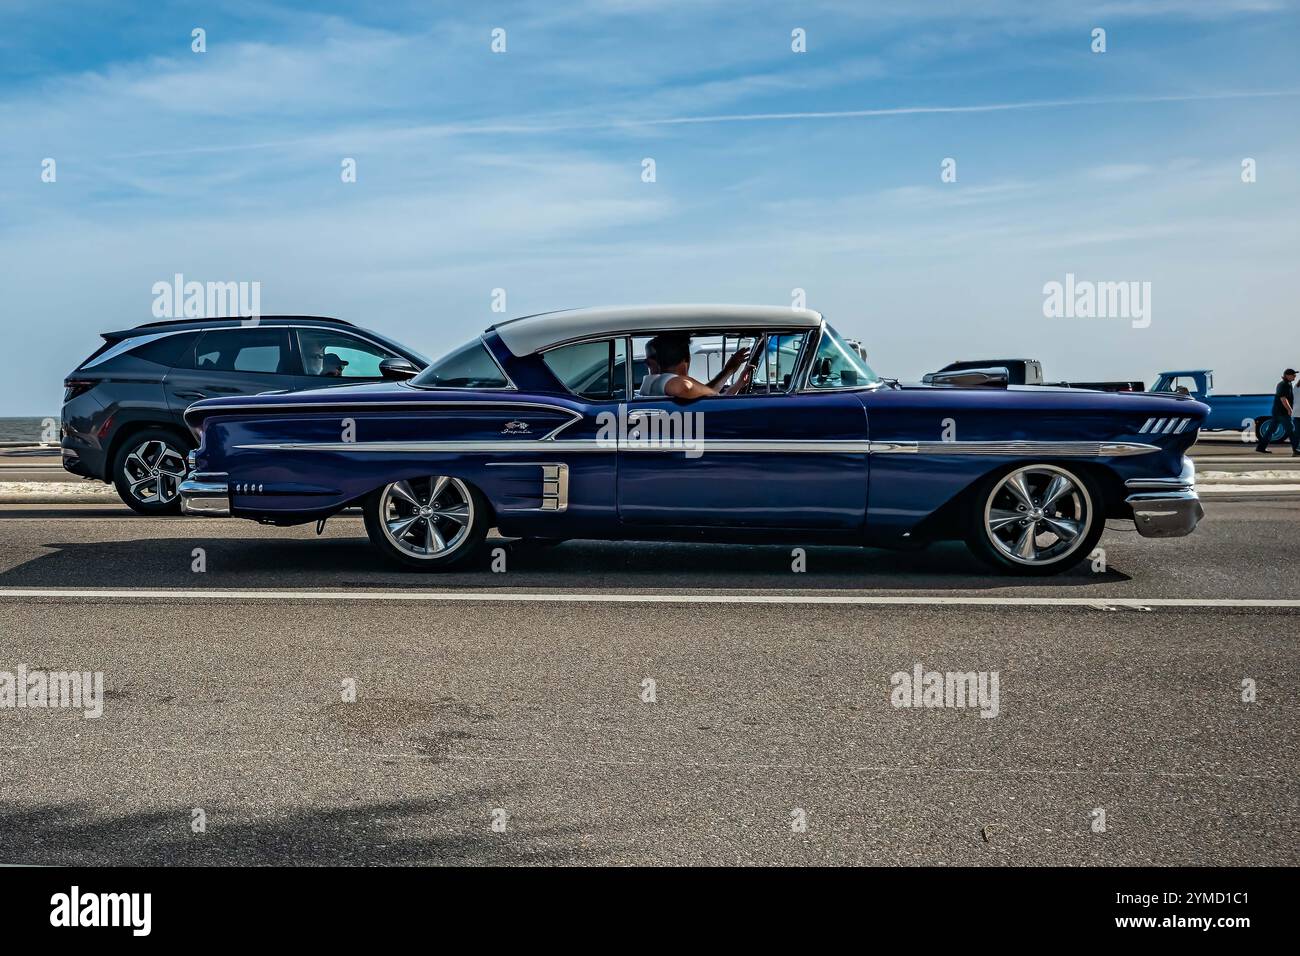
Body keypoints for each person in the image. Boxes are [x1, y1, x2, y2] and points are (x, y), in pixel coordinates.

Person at [637, 334, 753, 399]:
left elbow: (700, 393)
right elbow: (685, 386)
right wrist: (714, 394)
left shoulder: (658, 385)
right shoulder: (658, 382)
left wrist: (731, 376)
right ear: (687, 358)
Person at [1256, 368, 1299, 455]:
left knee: (1271, 430)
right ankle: (1296, 450)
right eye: (1293, 375)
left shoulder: (1288, 383)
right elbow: (1283, 398)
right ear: (1287, 375)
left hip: (1277, 412)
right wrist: (1289, 409)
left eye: (1295, 374)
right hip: (1282, 412)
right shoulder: (1283, 385)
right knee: (1291, 430)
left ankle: (1261, 447)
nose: (1295, 376)